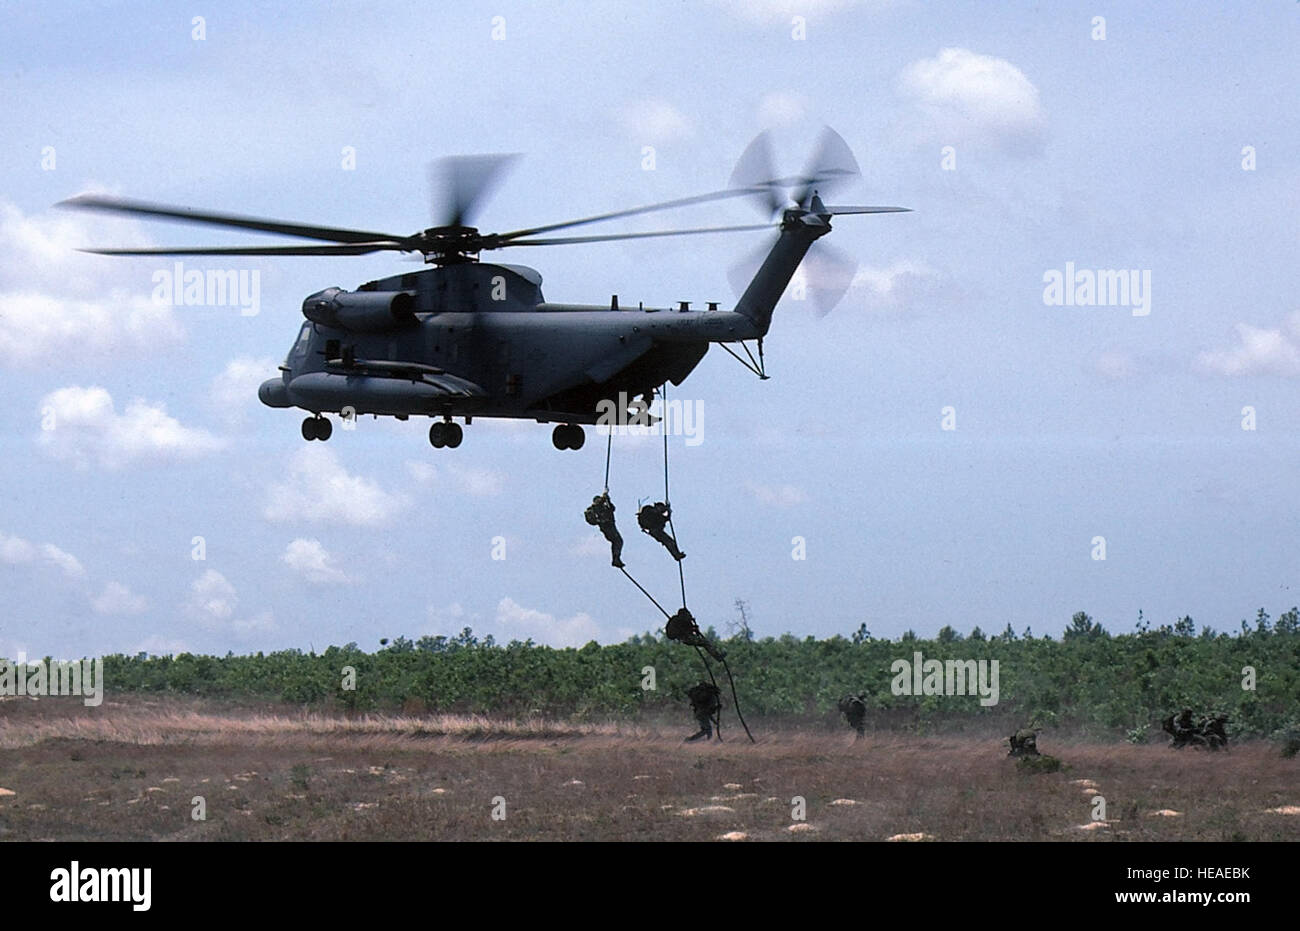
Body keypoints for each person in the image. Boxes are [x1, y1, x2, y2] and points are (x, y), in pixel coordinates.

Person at [584, 492, 624, 568]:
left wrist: (607, 499)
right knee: (617, 541)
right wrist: (604, 497)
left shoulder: (605, 507)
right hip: (607, 527)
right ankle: (616, 559)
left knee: (617, 541)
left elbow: (612, 508)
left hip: (611, 526)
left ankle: (616, 558)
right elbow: (599, 505)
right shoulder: (596, 508)